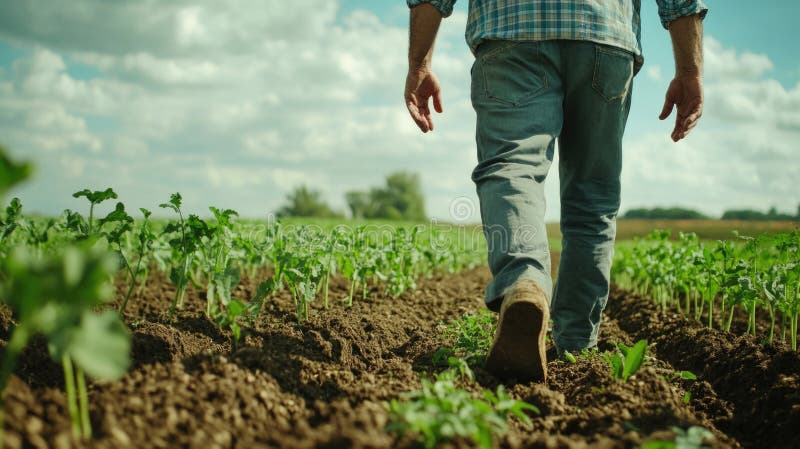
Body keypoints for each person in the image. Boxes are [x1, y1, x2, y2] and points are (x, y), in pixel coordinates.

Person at [404, 0, 707, 382]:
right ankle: (577, 349)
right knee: (593, 198)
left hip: (512, 28)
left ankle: (524, 281)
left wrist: (419, 65)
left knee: (511, 167)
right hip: (605, 33)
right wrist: (689, 70)